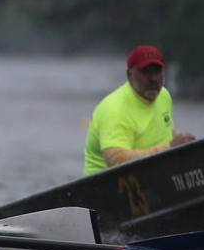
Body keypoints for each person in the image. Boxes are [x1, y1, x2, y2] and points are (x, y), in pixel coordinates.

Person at [83, 45, 196, 174]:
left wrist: (183, 143)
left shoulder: (164, 96)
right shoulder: (114, 110)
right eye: (145, 72)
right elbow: (116, 161)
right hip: (106, 188)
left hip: (151, 179)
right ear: (130, 75)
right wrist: (170, 148)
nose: (153, 78)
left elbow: (166, 134)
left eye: (157, 71)